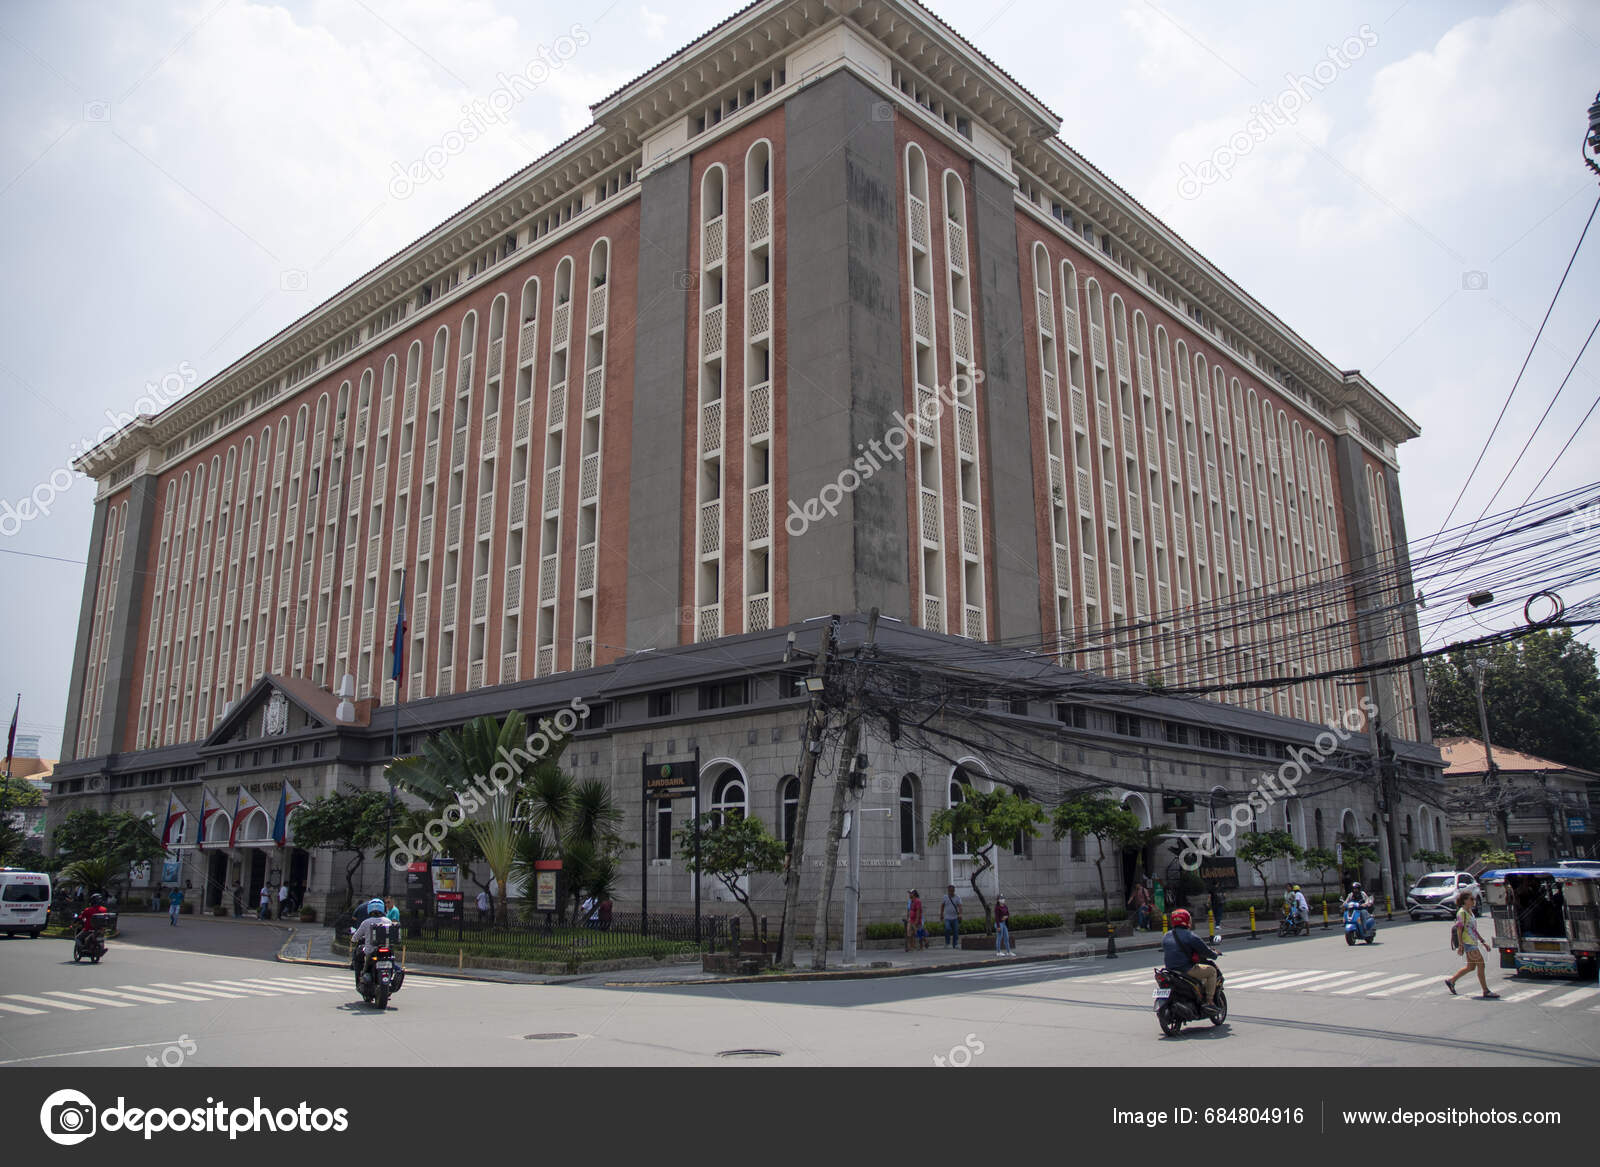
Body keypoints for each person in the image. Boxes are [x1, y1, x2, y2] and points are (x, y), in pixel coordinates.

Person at [1161, 908, 1221, 1016]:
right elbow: (1205, 951)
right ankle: (1209, 1001)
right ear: (1187, 920)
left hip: (1170, 971)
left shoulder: (1166, 936)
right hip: (1186, 970)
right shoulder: (1191, 936)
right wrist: (1214, 954)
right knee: (1211, 971)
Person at [1444, 890, 1499, 998]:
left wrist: (1483, 942)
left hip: (1473, 942)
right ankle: (1486, 991)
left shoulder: (1470, 912)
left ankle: (1451, 981)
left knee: (1471, 967)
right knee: (1481, 964)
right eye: (1471, 899)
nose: (1474, 901)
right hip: (1468, 943)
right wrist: (1460, 945)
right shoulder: (1462, 913)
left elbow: (1473, 929)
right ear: (1465, 901)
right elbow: (1459, 930)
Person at [350, 898, 397, 975]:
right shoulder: (388, 921)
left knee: (358, 959)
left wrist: (353, 940)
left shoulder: (366, 922)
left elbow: (356, 936)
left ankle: (359, 978)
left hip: (370, 951)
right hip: (387, 950)